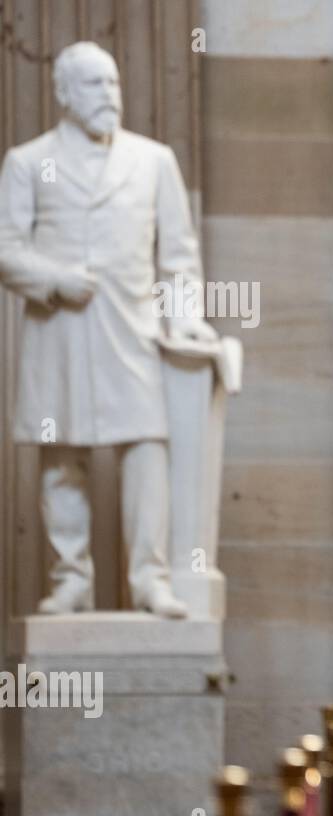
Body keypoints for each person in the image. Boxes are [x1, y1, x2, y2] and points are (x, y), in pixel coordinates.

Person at [0, 41, 216, 617]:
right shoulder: (29, 161)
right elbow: (6, 249)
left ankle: (150, 578)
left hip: (132, 328)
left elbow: (178, 254)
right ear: (64, 93)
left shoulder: (153, 160)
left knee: (147, 445)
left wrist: (185, 316)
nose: (110, 97)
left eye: (115, 84)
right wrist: (56, 279)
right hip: (61, 329)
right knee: (61, 452)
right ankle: (70, 578)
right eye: (96, 85)